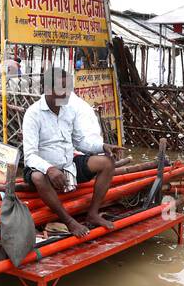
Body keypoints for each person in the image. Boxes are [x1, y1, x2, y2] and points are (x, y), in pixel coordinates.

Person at [21, 68, 120, 238]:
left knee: (107, 162)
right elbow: (29, 155)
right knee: (37, 177)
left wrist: (102, 147)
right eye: (63, 89)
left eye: (69, 89)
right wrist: (50, 169)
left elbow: (80, 142)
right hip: (44, 170)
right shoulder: (33, 114)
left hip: (68, 166)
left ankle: (93, 214)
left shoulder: (69, 110)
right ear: (48, 90)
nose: (67, 93)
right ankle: (69, 221)